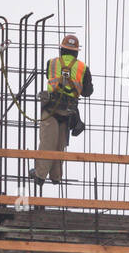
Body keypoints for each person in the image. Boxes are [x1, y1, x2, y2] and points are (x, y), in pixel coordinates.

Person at [34, 34, 93, 185]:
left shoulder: (51, 63)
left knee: (47, 142)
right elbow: (87, 92)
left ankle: (40, 176)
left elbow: (49, 76)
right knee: (60, 145)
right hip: (67, 112)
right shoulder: (83, 68)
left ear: (61, 49)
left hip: (50, 109)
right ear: (76, 52)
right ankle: (56, 177)